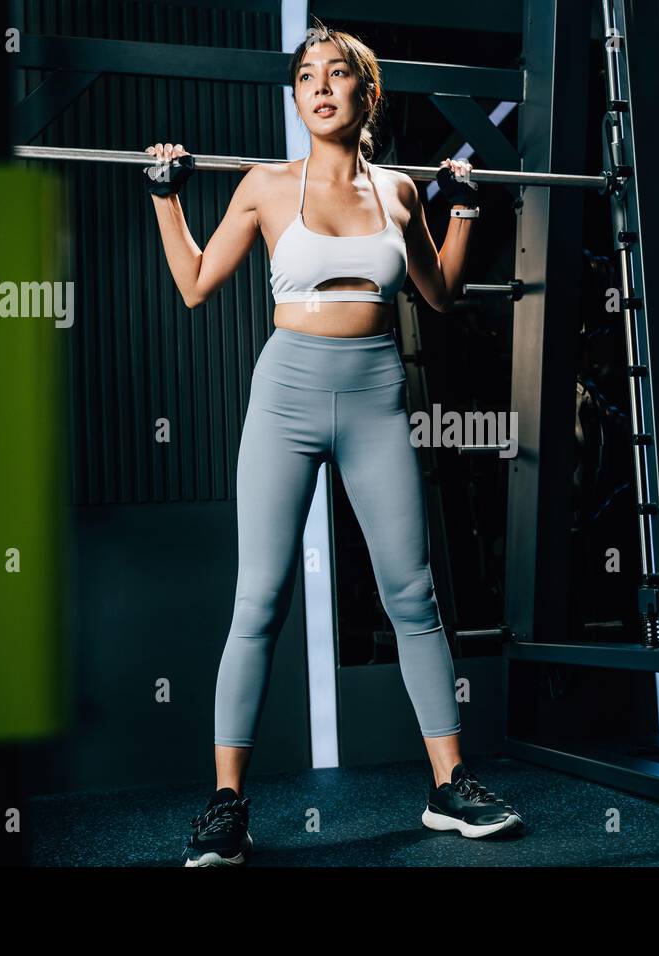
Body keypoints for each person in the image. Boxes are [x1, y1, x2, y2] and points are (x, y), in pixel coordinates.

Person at [145, 21, 524, 866]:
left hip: (376, 391)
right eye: (307, 75)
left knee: (413, 594)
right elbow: (197, 284)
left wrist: (461, 207)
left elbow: (438, 292)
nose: (320, 86)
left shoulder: (396, 194)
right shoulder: (265, 186)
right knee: (260, 600)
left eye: (337, 74)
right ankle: (227, 804)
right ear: (297, 97)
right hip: (285, 392)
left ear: (365, 94)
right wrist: (167, 197)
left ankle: (449, 786)